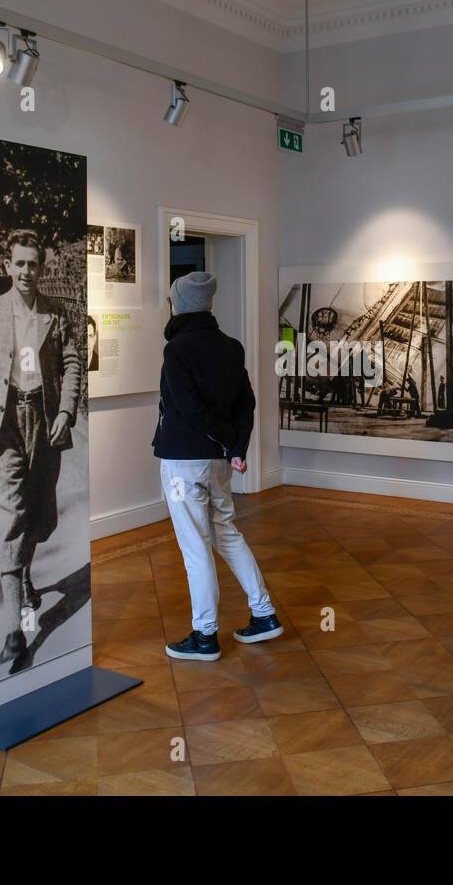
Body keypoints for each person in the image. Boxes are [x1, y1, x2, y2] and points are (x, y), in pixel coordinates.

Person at [0, 229, 82, 668]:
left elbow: (72, 361)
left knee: (39, 514)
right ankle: (14, 629)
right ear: (9, 267)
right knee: (11, 516)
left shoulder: (55, 312)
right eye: (20, 263)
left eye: (34, 264)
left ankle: (24, 573)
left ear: (41, 269)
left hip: (44, 427)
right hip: (5, 427)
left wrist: (66, 411)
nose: (27, 271)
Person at [155, 271, 281, 661]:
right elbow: (247, 403)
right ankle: (263, 613)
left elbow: (189, 408)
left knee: (196, 547)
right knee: (226, 533)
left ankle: (205, 635)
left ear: (180, 304)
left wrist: (226, 441)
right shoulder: (231, 346)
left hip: (183, 460)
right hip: (220, 461)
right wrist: (235, 445)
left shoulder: (177, 350)